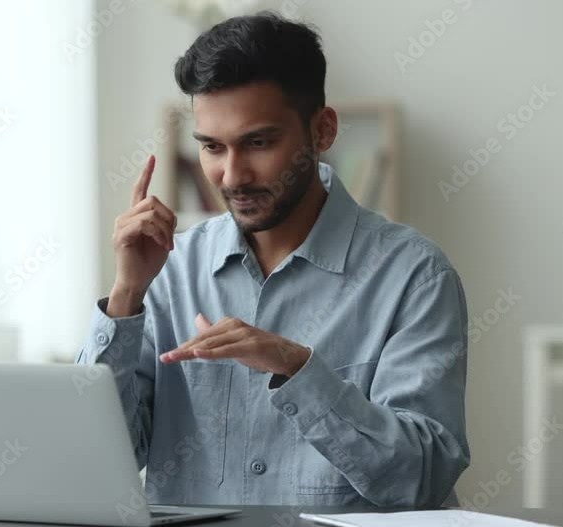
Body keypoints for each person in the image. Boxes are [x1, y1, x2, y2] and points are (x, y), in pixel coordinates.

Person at [76, 11, 470, 507]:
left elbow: (422, 478)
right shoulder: (169, 269)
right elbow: (98, 460)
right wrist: (126, 295)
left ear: (323, 130)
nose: (232, 175)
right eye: (212, 147)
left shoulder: (415, 277)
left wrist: (298, 368)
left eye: (258, 143)